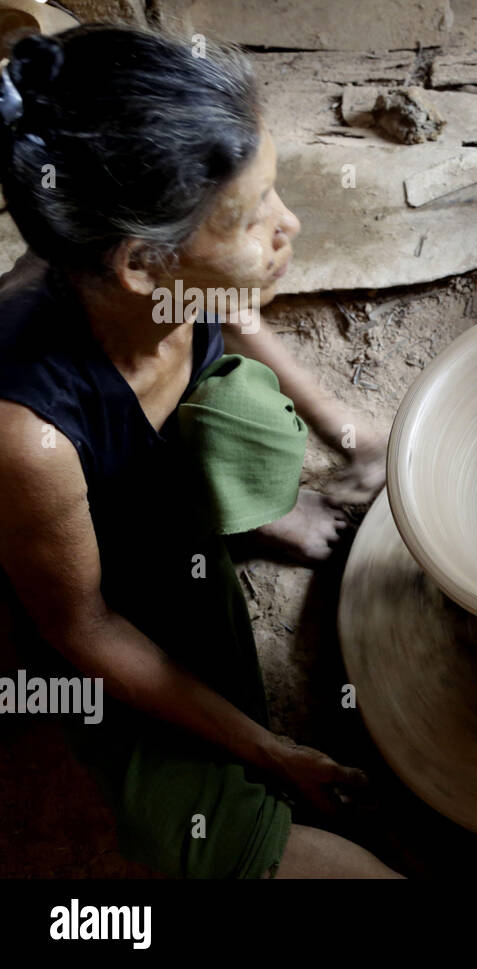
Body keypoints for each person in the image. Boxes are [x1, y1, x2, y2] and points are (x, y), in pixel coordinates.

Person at [0, 25, 397, 876]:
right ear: (144, 263)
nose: (290, 224)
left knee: (251, 410)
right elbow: (85, 626)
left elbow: (231, 306)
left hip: (144, 462)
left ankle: (253, 514)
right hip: (77, 580)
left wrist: (341, 427)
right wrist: (270, 750)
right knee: (212, 829)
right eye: (255, 216)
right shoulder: (23, 436)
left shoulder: (164, 276)